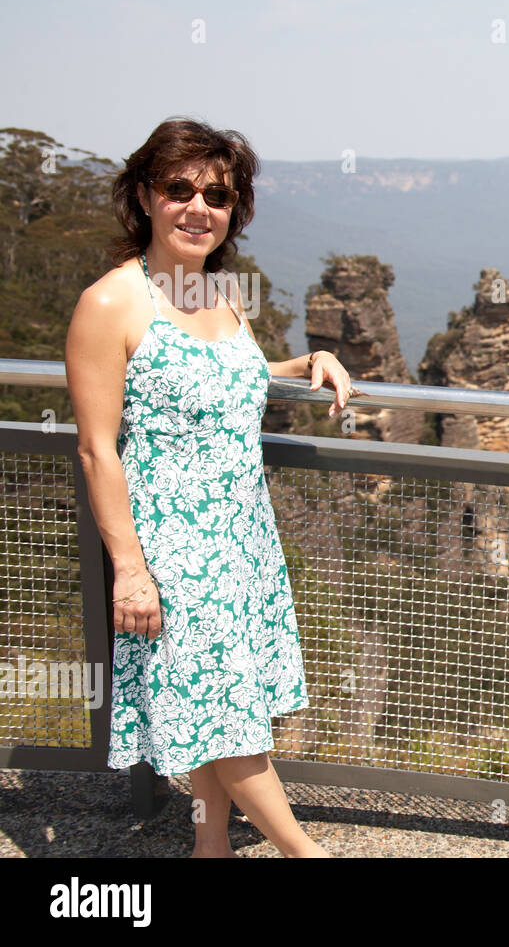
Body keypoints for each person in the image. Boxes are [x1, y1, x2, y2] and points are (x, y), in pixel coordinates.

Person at [65, 118, 353, 857]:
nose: (199, 206)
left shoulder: (218, 292)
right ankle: (305, 853)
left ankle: (211, 848)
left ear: (234, 210)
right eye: (179, 189)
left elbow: (238, 373)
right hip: (171, 547)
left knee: (225, 704)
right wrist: (130, 569)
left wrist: (309, 361)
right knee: (221, 713)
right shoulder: (111, 304)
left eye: (218, 194)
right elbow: (98, 450)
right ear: (145, 195)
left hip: (242, 540)